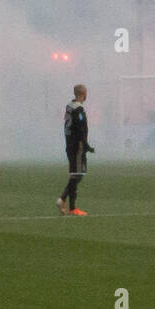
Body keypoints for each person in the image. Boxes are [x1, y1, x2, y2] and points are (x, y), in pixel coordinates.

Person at [57, 84, 95, 215]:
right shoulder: (78, 109)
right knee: (78, 175)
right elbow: (81, 129)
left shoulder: (69, 106)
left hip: (69, 144)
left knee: (75, 174)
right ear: (83, 93)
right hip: (77, 145)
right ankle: (70, 206)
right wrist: (86, 145)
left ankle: (64, 201)